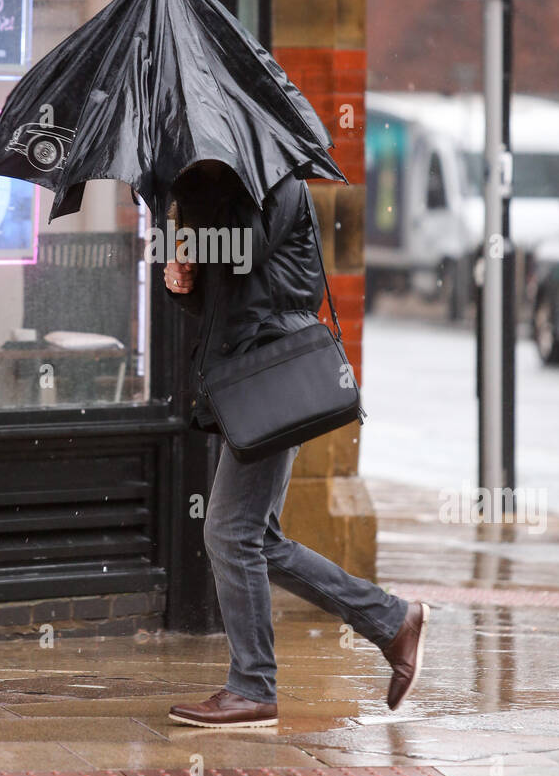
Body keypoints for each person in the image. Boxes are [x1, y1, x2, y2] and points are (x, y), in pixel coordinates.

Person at [163, 161, 429, 729]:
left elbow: (246, 254)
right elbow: (228, 295)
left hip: (270, 380)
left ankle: (253, 687)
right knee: (257, 537)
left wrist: (189, 217)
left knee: (229, 531)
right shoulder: (227, 193)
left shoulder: (273, 183)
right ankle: (392, 620)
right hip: (247, 380)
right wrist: (182, 277)